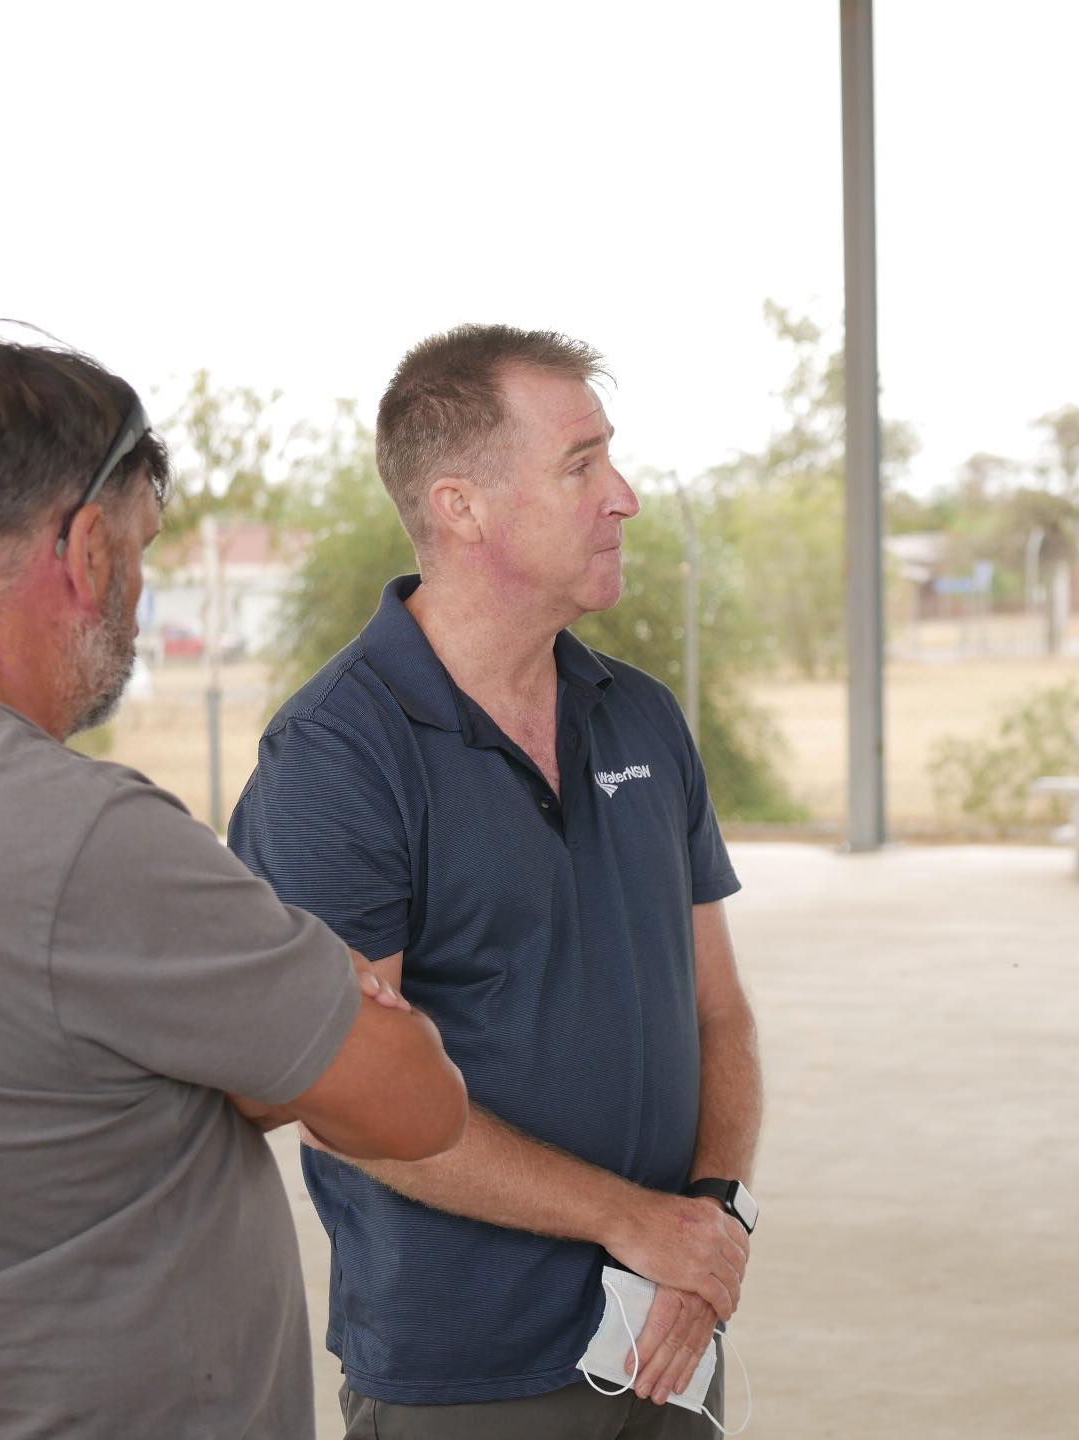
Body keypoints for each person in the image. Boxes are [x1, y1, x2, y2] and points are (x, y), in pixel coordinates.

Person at [0, 332, 469, 1440]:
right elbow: (417, 1102)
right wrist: (302, 1002)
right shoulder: (84, 837)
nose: (137, 595)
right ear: (87, 548)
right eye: (139, 550)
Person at [229, 324, 762, 1438]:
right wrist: (638, 1224)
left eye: (610, 456)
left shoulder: (644, 717)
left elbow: (720, 1013)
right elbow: (346, 1111)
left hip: (672, 1336)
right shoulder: (334, 759)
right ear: (462, 506)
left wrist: (711, 1223)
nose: (622, 494)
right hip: (469, 1375)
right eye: (581, 465)